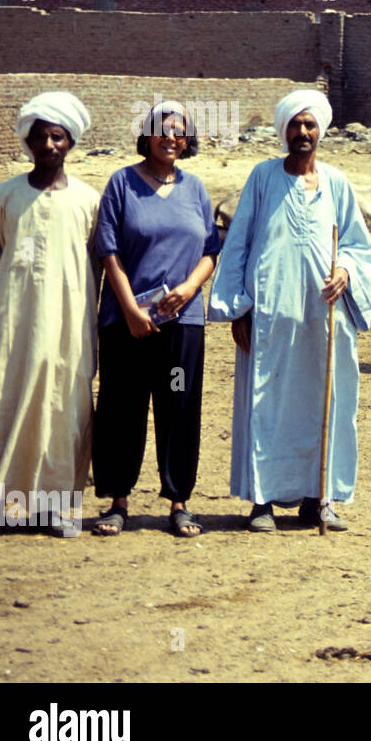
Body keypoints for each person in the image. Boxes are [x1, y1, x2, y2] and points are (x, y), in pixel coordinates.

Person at [208, 90, 371, 532]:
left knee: (325, 401)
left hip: (323, 318)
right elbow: (238, 243)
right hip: (270, 316)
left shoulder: (337, 183)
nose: (303, 132)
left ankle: (319, 498)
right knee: (269, 400)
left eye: (310, 125)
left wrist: (346, 271)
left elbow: (360, 246)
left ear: (321, 131)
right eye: (296, 125)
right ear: (284, 130)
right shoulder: (263, 178)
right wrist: (239, 310)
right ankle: (262, 501)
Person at [91, 101, 221, 538]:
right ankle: (117, 500)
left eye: (179, 131)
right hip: (128, 327)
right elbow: (108, 250)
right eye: (162, 129)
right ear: (146, 135)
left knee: (178, 402)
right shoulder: (122, 184)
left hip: (181, 331)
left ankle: (179, 500)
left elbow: (210, 252)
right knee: (122, 406)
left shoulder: (195, 189)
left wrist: (189, 289)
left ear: (187, 140)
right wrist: (129, 310)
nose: (171, 137)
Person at [0, 92, 99, 539]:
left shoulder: (89, 200)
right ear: (27, 141)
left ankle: (57, 508)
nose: (49, 144)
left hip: (69, 324)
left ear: (71, 143)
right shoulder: (5, 195)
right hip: (15, 322)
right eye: (41, 136)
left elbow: (96, 266)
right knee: (1, 403)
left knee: (63, 407)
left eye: (58, 136)